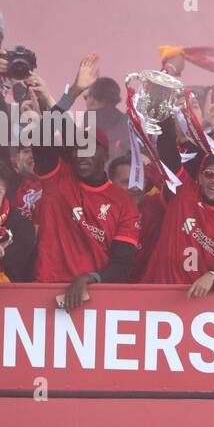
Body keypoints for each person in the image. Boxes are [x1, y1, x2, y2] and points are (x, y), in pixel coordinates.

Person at [29, 104, 140, 309]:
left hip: (94, 295)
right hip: (45, 289)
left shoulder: (123, 203)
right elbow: (39, 137)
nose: (81, 154)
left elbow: (122, 265)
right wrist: (73, 92)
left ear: (105, 156)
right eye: (77, 148)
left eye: (89, 147)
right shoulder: (58, 177)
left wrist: (89, 278)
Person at [139, 123, 214, 297]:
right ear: (201, 177)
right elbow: (168, 152)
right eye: (210, 174)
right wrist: (166, 115)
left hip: (195, 305)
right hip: (153, 298)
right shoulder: (184, 192)